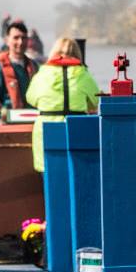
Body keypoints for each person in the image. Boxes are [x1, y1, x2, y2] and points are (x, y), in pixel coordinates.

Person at [25, 35, 100, 170]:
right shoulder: (83, 74)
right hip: (77, 129)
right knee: (77, 174)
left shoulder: (43, 73)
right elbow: (95, 101)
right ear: (77, 54)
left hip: (46, 130)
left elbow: (31, 98)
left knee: (50, 176)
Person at [0, 20, 38, 111]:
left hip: (33, 122)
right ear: (7, 40)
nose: (20, 42)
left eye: (24, 38)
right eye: (16, 38)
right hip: (9, 123)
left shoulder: (35, 68)